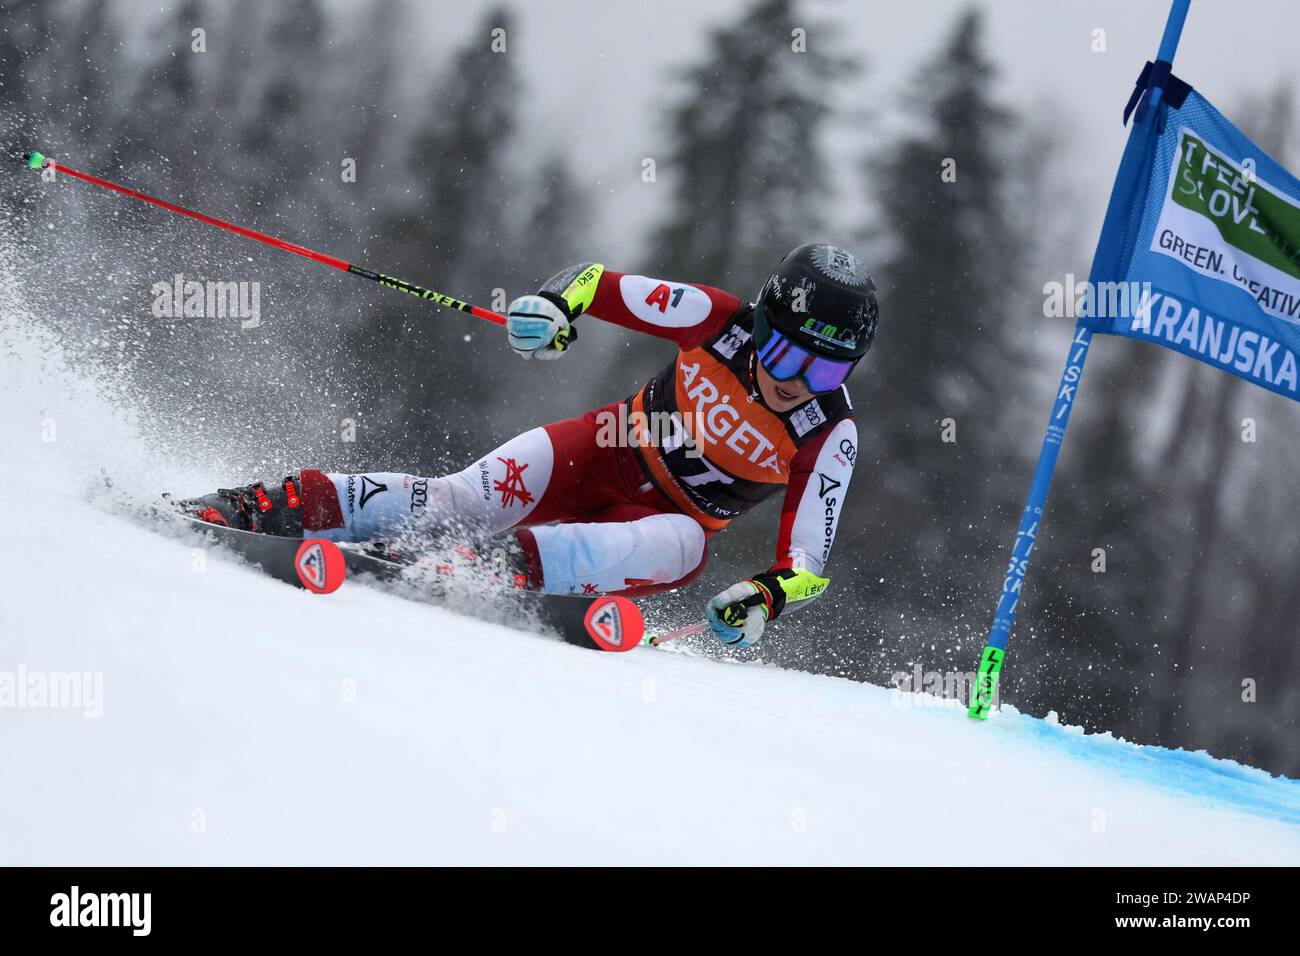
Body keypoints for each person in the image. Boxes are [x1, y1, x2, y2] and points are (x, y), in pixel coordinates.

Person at [179, 244, 878, 648]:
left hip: (670, 528)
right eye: (789, 355)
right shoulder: (719, 319)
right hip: (603, 451)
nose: (800, 384)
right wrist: (552, 308)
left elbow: (808, 564)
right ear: (763, 324)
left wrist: (764, 597)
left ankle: (490, 564)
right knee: (465, 496)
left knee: (683, 543)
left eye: (828, 370)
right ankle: (284, 503)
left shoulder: (829, 431)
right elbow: (594, 283)